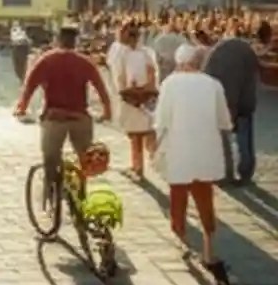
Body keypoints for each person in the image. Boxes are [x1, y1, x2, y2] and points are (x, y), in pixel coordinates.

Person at [155, 44, 232, 271]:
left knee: (178, 196)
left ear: (179, 62)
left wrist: (155, 142)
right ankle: (209, 250)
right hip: (205, 149)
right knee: (205, 198)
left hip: (179, 148)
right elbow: (224, 120)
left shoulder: (170, 84)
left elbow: (162, 119)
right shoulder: (213, 85)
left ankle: (182, 239)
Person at [13, 26, 113, 188]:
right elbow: (101, 89)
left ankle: (52, 190)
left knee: (50, 157)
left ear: (58, 40)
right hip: (79, 117)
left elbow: (29, 86)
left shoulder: (46, 60)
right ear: (75, 42)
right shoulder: (85, 62)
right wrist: (107, 111)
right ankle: (80, 193)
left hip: (54, 117)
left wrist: (21, 107)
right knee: (84, 158)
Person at [203, 25, 260, 186]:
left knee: (224, 141)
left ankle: (226, 172)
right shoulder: (247, 51)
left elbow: (212, 79)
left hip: (225, 102)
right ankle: (246, 171)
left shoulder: (218, 54)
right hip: (245, 102)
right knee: (245, 139)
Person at [108, 21, 157, 179]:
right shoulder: (125, 51)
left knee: (140, 134)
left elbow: (152, 73)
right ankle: (138, 165)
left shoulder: (141, 52)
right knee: (136, 134)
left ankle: (140, 166)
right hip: (133, 96)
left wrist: (139, 92)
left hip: (138, 96)